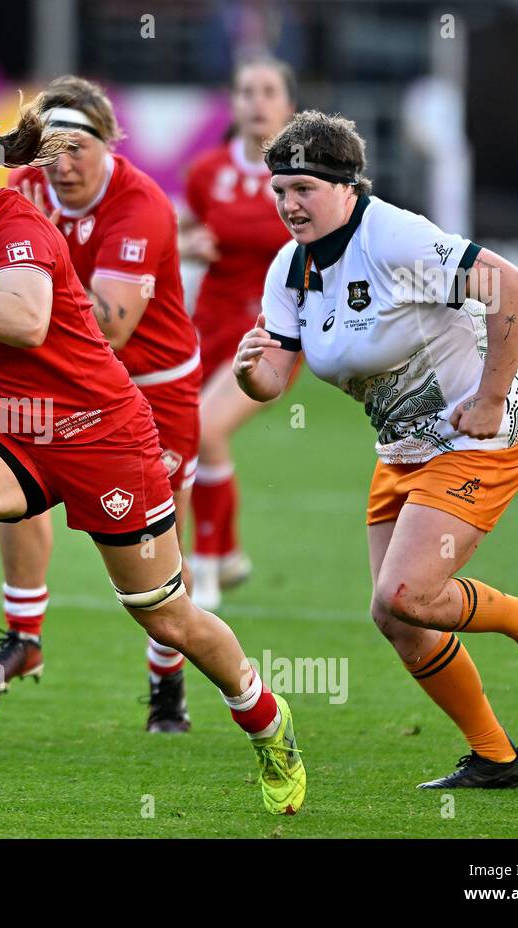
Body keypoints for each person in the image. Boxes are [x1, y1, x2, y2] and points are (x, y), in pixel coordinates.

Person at [0, 105, 306, 815]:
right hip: (17, 430)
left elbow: (24, 320)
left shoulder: (17, 227)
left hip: (103, 438)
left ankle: (268, 722)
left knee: (167, 617)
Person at [235, 110, 518, 789]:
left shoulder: (393, 237)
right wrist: (249, 370)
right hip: (403, 449)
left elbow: (514, 287)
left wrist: (486, 398)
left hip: (482, 435)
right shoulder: (290, 268)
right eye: (279, 191)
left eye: (303, 188)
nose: (289, 205)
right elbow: (273, 378)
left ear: (346, 186)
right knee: (394, 616)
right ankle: (496, 758)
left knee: (408, 593)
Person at [0, 76, 202, 733]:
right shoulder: (20, 191)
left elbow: (111, 327)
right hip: (54, 381)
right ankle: (23, 637)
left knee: (155, 554)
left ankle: (167, 682)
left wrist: (24, 302)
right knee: (9, 487)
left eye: (81, 144)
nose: (67, 160)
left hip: (151, 390)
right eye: (53, 144)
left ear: (107, 144)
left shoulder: (141, 204)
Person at [181, 56, 297, 610]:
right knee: (187, 438)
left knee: (205, 428)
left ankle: (202, 571)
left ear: (289, 105)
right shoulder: (206, 173)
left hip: (273, 332)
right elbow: (174, 231)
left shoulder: (305, 179)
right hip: (208, 325)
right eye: (246, 90)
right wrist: (184, 246)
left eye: (268, 91)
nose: (256, 101)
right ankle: (226, 552)